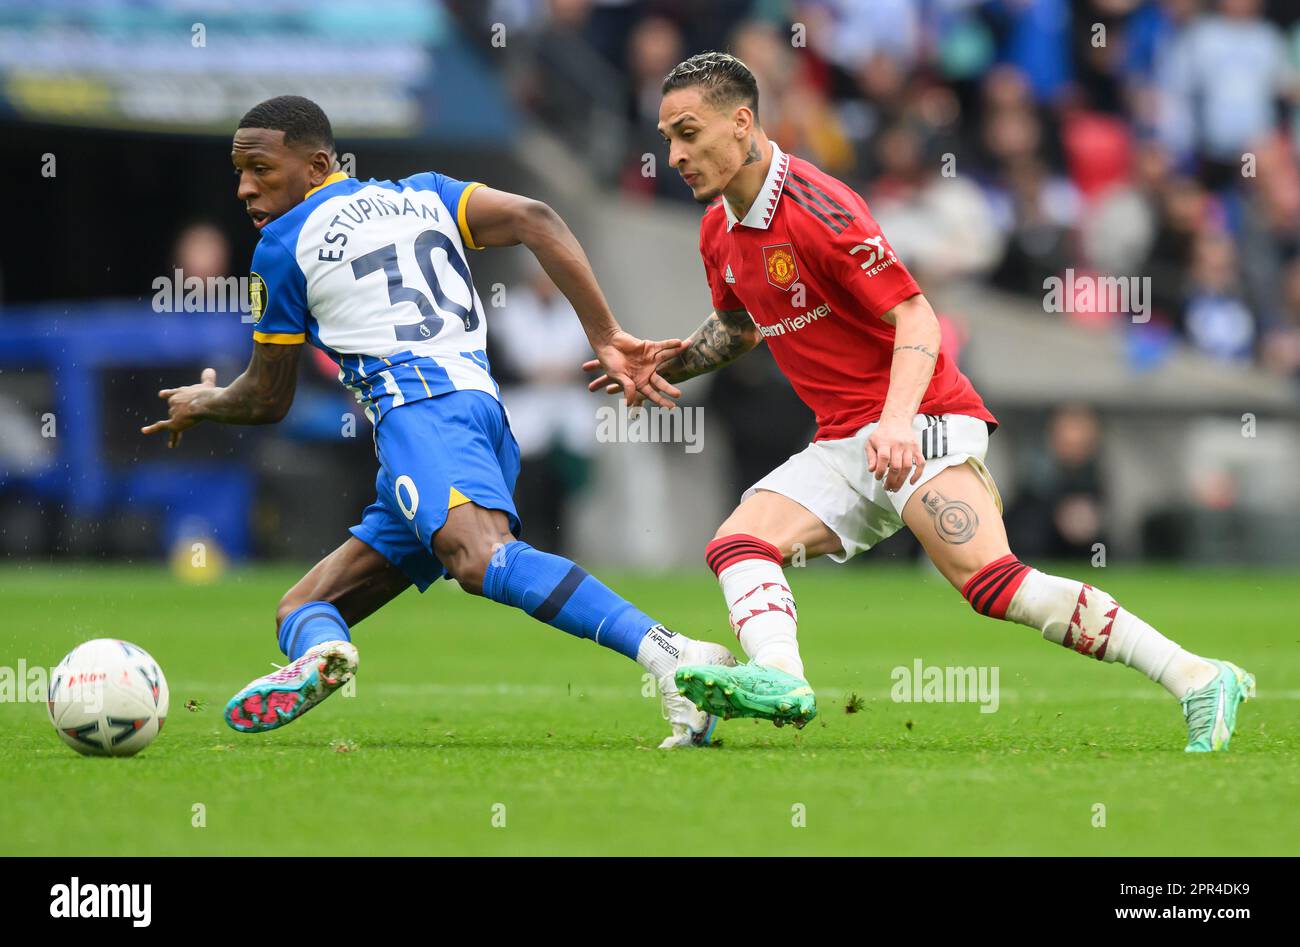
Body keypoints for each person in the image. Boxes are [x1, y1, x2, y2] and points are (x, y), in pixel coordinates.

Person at [588, 53, 1253, 751]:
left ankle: (1199, 676)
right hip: (845, 438)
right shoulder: (717, 228)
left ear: (742, 122)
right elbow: (741, 326)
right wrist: (667, 363)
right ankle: (781, 677)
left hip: (924, 419)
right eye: (667, 138)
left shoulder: (819, 208)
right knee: (738, 543)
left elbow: (918, 318)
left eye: (688, 133)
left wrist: (898, 421)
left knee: (995, 585)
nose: (674, 155)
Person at [141, 95, 735, 749]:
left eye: (260, 168)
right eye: (238, 171)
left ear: (314, 166)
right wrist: (607, 335)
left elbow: (267, 397)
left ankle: (674, 655)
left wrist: (207, 401)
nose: (246, 186)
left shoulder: (280, 247)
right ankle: (324, 655)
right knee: (304, 608)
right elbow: (537, 218)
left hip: (421, 416)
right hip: (479, 412)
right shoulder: (423, 194)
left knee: (483, 559)